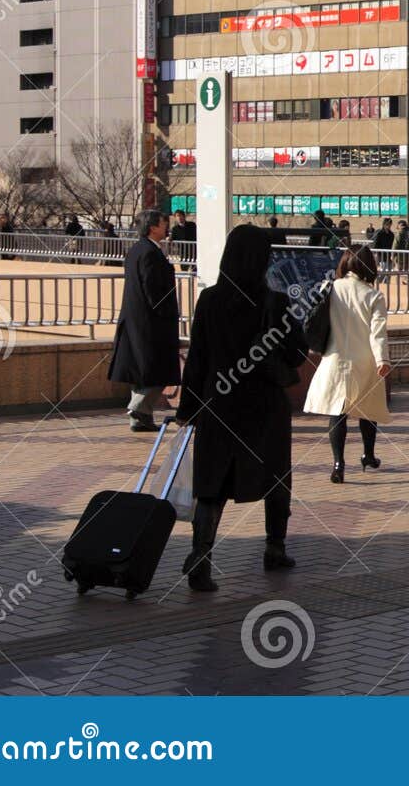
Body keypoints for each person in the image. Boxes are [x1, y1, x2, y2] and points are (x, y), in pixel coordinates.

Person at [174, 224, 306, 592]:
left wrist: (188, 408)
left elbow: (197, 360)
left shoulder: (209, 300)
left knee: (212, 483)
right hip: (265, 407)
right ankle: (275, 548)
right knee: (275, 477)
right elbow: (298, 352)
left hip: (219, 404)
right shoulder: (275, 303)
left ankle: (201, 557)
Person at [303, 245, 392, 484]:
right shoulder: (374, 296)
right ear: (370, 266)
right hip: (365, 360)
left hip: (335, 358)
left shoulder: (330, 288)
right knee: (368, 410)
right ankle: (368, 455)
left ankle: (338, 464)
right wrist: (382, 360)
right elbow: (378, 333)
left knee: (338, 411)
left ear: (345, 263)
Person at [108, 210, 182, 433]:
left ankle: (141, 418)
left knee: (143, 372)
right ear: (152, 227)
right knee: (156, 369)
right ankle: (137, 408)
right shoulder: (150, 253)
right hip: (150, 322)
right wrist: (166, 314)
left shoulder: (137, 250)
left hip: (137, 321)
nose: (166, 226)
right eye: (163, 223)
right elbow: (153, 290)